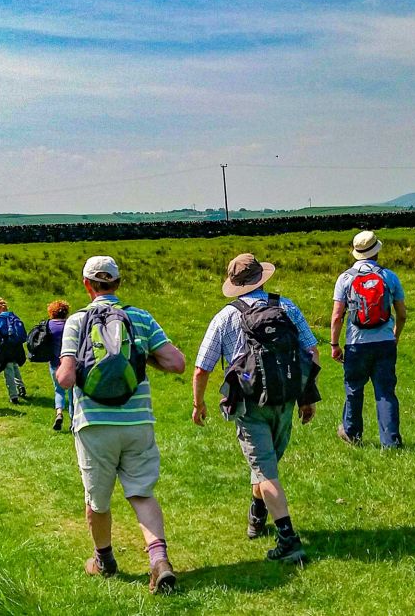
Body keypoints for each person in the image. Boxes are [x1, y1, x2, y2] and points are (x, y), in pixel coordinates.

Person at [54, 256, 186, 594]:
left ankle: (104, 560)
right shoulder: (139, 317)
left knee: (98, 500)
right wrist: (142, 358)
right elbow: (176, 363)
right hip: (137, 419)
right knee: (141, 492)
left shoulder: (77, 321)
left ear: (87, 285)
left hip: (94, 424)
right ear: (118, 284)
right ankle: (159, 560)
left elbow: (67, 378)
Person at [192, 253, 319, 564]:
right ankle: (257, 514)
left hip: (249, 404)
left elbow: (201, 368)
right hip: (285, 398)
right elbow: (312, 353)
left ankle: (288, 539)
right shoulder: (286, 307)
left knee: (265, 470)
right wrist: (305, 397)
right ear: (262, 277)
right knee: (267, 465)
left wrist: (199, 403)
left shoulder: (226, 317)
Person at [330, 231, 408, 449]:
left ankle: (352, 432)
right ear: (376, 251)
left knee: (354, 388)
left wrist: (334, 344)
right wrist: (395, 335)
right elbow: (402, 314)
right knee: (385, 391)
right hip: (384, 342)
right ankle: (391, 441)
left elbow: (337, 316)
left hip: (356, 343)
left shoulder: (345, 279)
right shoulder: (389, 277)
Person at [46, 300, 71, 432]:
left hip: (54, 363)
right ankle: (73, 420)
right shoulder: (70, 325)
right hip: (71, 363)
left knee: (58, 390)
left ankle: (59, 413)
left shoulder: (49, 325)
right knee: (72, 391)